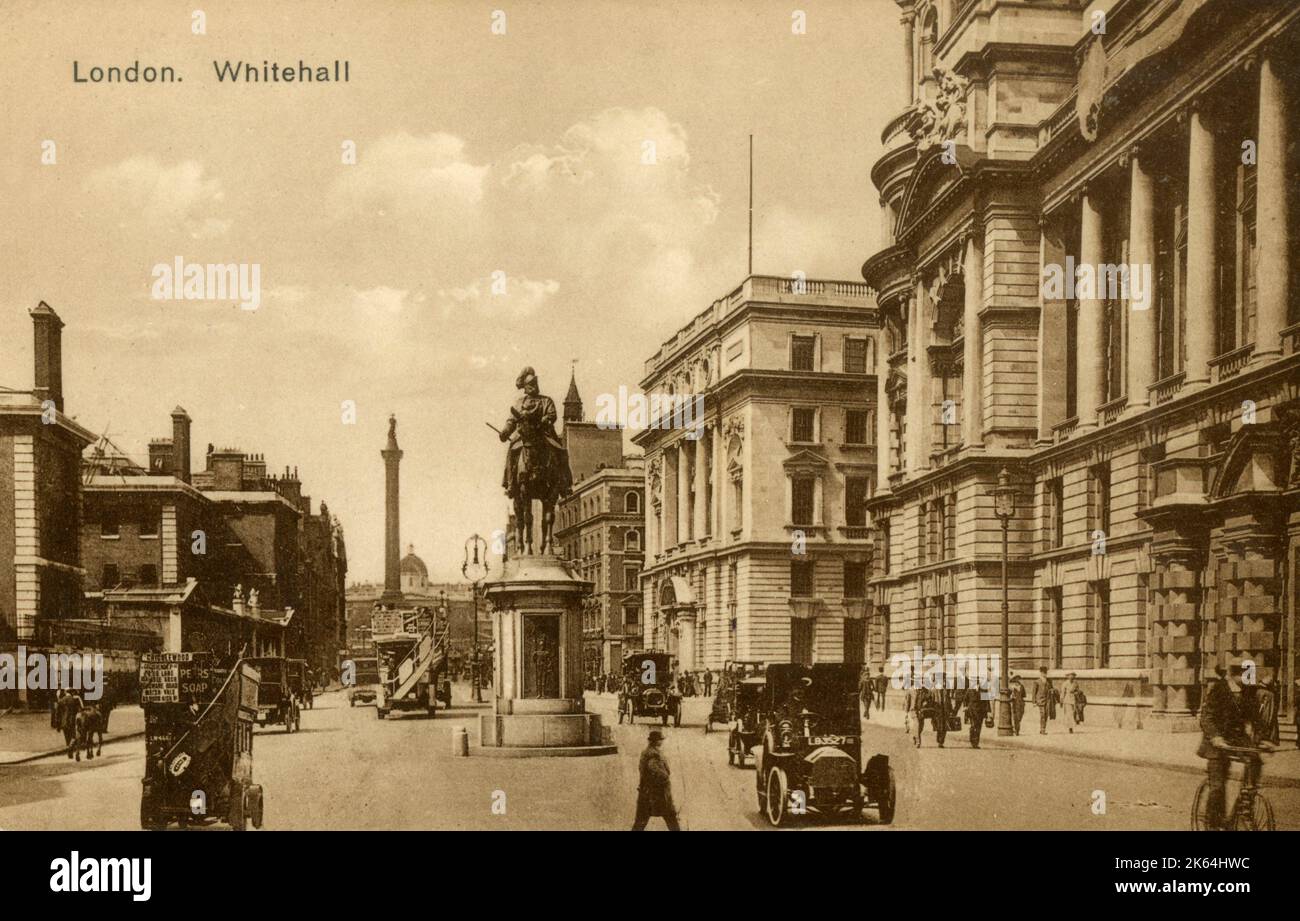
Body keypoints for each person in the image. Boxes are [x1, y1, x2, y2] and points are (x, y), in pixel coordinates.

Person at [1198, 664, 1265, 830]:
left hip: (1237, 739)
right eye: (1245, 675)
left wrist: (1263, 740)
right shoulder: (1218, 689)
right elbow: (1206, 717)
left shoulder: (1248, 692)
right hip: (1216, 743)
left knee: (1255, 760)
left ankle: (1246, 803)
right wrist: (1215, 737)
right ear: (1233, 675)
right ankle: (1214, 824)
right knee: (1218, 787)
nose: (1249, 679)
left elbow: (1256, 718)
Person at [632, 730, 679, 831]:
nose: (662, 741)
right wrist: (665, 777)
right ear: (655, 741)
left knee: (641, 819)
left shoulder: (648, 752)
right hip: (657, 792)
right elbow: (656, 770)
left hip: (647, 791)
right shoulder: (653, 754)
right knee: (670, 817)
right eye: (660, 739)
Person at [963, 683, 989, 749]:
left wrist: (988, 712)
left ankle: (976, 742)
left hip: (981, 712)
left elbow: (986, 702)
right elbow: (965, 699)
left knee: (978, 727)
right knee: (973, 726)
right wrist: (966, 707)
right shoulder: (970, 690)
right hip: (972, 712)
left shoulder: (984, 690)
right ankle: (973, 742)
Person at [1033, 666, 1055, 735]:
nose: (1044, 674)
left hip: (1048, 700)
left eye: (1045, 672)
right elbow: (1034, 692)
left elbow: (1052, 688)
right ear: (1040, 673)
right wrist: (1034, 702)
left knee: (1046, 714)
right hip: (1040, 700)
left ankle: (1043, 728)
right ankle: (1042, 730)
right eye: (1043, 672)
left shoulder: (1049, 681)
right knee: (1042, 714)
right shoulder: (1037, 681)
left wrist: (1052, 691)